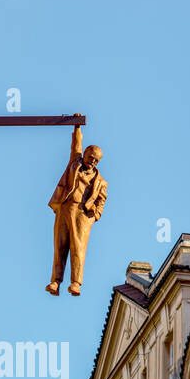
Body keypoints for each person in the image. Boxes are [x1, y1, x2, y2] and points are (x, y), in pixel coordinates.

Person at [46, 116, 107, 296]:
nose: (92, 161)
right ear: (85, 155)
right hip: (65, 208)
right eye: (91, 157)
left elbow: (101, 201)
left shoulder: (101, 182)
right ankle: (55, 282)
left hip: (83, 215)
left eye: (96, 160)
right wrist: (77, 127)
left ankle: (75, 283)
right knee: (60, 245)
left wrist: (94, 215)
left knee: (78, 248)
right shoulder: (75, 163)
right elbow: (76, 145)